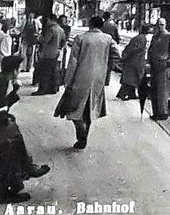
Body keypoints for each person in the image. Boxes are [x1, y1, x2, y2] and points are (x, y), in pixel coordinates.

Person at [0, 55, 50, 204]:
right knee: (11, 143)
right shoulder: (4, 82)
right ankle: (9, 188)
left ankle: (22, 173)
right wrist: (13, 93)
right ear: (14, 71)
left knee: (14, 134)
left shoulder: (0, 79)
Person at [56, 15, 120, 149]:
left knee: (74, 108)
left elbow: (73, 61)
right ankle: (84, 135)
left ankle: (81, 134)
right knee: (90, 109)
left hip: (81, 76)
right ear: (101, 26)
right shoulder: (108, 39)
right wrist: (106, 66)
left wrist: (68, 80)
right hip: (98, 78)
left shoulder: (81, 38)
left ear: (90, 24)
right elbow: (116, 55)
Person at [147, 18, 170, 121]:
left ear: (165, 25)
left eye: (161, 25)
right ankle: (156, 111)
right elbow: (150, 50)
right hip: (154, 66)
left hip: (163, 67)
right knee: (154, 90)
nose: (160, 27)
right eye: (158, 25)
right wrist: (148, 62)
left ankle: (163, 112)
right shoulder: (154, 37)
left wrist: (168, 63)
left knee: (162, 89)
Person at [33, 15, 65, 95]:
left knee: (45, 72)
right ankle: (53, 88)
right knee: (53, 72)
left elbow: (45, 40)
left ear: (50, 20)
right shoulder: (60, 29)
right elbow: (63, 41)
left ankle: (42, 89)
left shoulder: (51, 29)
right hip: (56, 53)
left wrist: (39, 38)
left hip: (47, 53)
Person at [117, 24, 150, 100]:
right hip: (135, 61)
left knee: (132, 79)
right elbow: (135, 49)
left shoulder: (138, 37)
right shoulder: (142, 38)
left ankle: (132, 94)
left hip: (133, 61)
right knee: (132, 79)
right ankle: (122, 94)